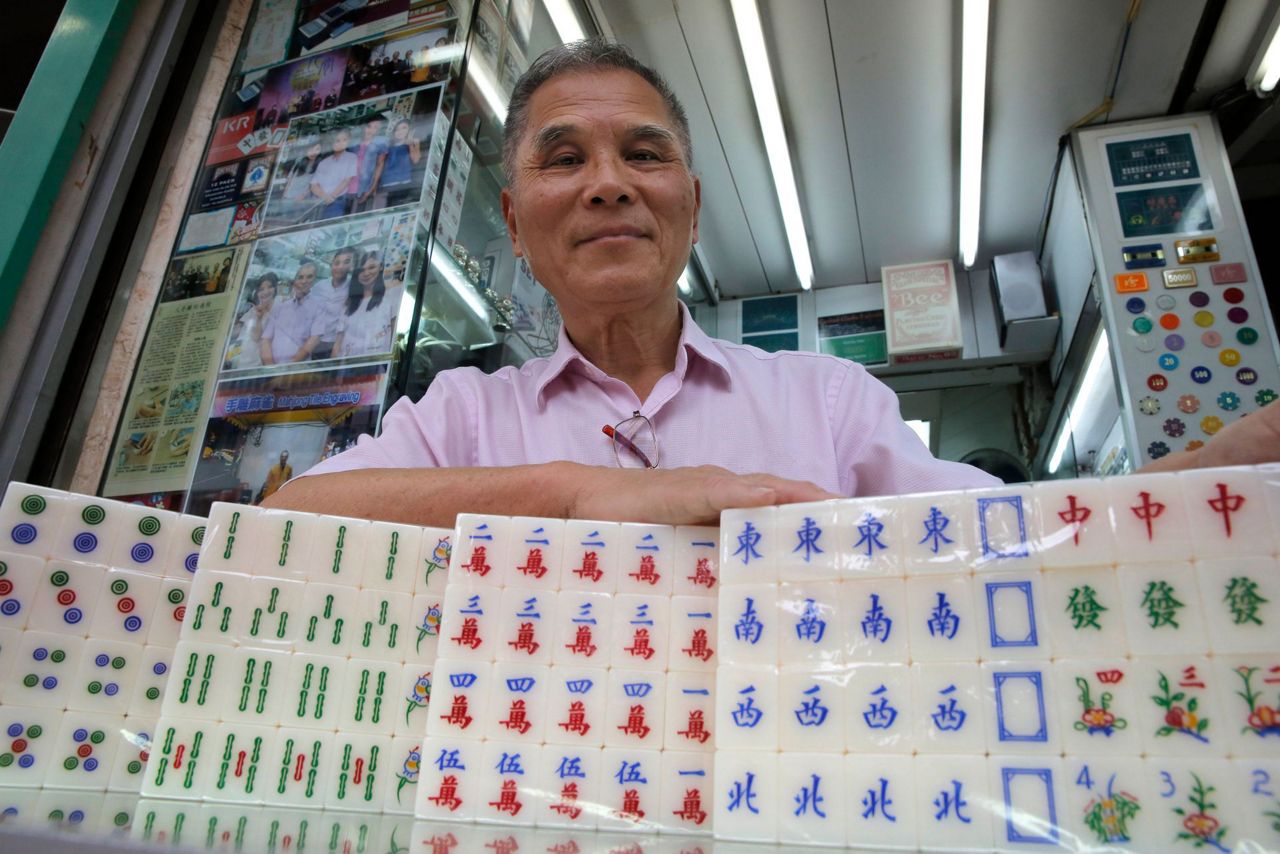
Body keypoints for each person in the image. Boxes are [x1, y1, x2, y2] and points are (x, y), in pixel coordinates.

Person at [265, 39, 1280, 528]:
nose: (609, 183)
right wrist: (578, 493)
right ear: (516, 227)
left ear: (690, 209)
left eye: (644, 153)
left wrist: (1184, 486)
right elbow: (296, 519)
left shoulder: (824, 402)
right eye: (563, 158)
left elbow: (1002, 538)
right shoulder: (461, 415)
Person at [332, 250, 397, 359]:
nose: (366, 273)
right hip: (346, 368)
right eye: (362, 270)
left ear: (380, 268)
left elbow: (394, 340)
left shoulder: (389, 301)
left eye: (371, 267)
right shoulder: (348, 305)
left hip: (376, 367)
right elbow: (338, 343)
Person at [260, 260, 323, 364]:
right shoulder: (281, 307)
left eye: (309, 277)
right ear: (295, 281)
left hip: (297, 370)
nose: (304, 281)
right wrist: (271, 368)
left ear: (315, 280)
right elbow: (266, 339)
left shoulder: (319, 307)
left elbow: (314, 340)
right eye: (300, 277)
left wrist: (288, 368)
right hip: (273, 369)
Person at [311, 247, 357, 360]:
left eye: (346, 262)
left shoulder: (354, 286)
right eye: (337, 263)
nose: (340, 267)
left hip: (337, 343)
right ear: (331, 265)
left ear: (351, 266)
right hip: (314, 341)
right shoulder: (319, 286)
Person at [228, 272, 279, 369]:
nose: (265, 292)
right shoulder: (253, 309)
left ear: (276, 288)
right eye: (261, 289)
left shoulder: (278, 309)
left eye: (270, 287)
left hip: (252, 362)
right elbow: (241, 333)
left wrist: (259, 318)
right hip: (238, 357)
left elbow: (256, 337)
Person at [311, 129, 358, 220]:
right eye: (337, 141)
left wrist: (332, 196)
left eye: (345, 140)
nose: (341, 143)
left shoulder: (351, 158)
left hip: (337, 200)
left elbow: (347, 180)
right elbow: (313, 185)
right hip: (320, 201)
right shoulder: (324, 162)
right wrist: (324, 197)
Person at [380, 119, 423, 208]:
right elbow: (380, 164)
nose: (400, 131)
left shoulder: (411, 144)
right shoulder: (388, 146)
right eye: (397, 129)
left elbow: (415, 160)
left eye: (404, 128)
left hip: (403, 184)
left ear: (409, 130)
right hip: (387, 184)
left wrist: (411, 143)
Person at [353, 117, 390, 213]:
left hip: (366, 185)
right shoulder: (354, 144)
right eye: (369, 126)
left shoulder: (380, 143)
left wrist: (373, 186)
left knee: (360, 212)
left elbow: (380, 165)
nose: (371, 130)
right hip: (350, 184)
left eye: (376, 128)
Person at [282, 139, 324, 223]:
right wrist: (285, 194)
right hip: (289, 197)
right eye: (311, 149)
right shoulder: (299, 162)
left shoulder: (320, 165)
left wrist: (303, 196)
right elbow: (291, 179)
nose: (314, 152)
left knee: (299, 220)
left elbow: (315, 185)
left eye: (317, 149)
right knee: (286, 220)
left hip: (303, 199)